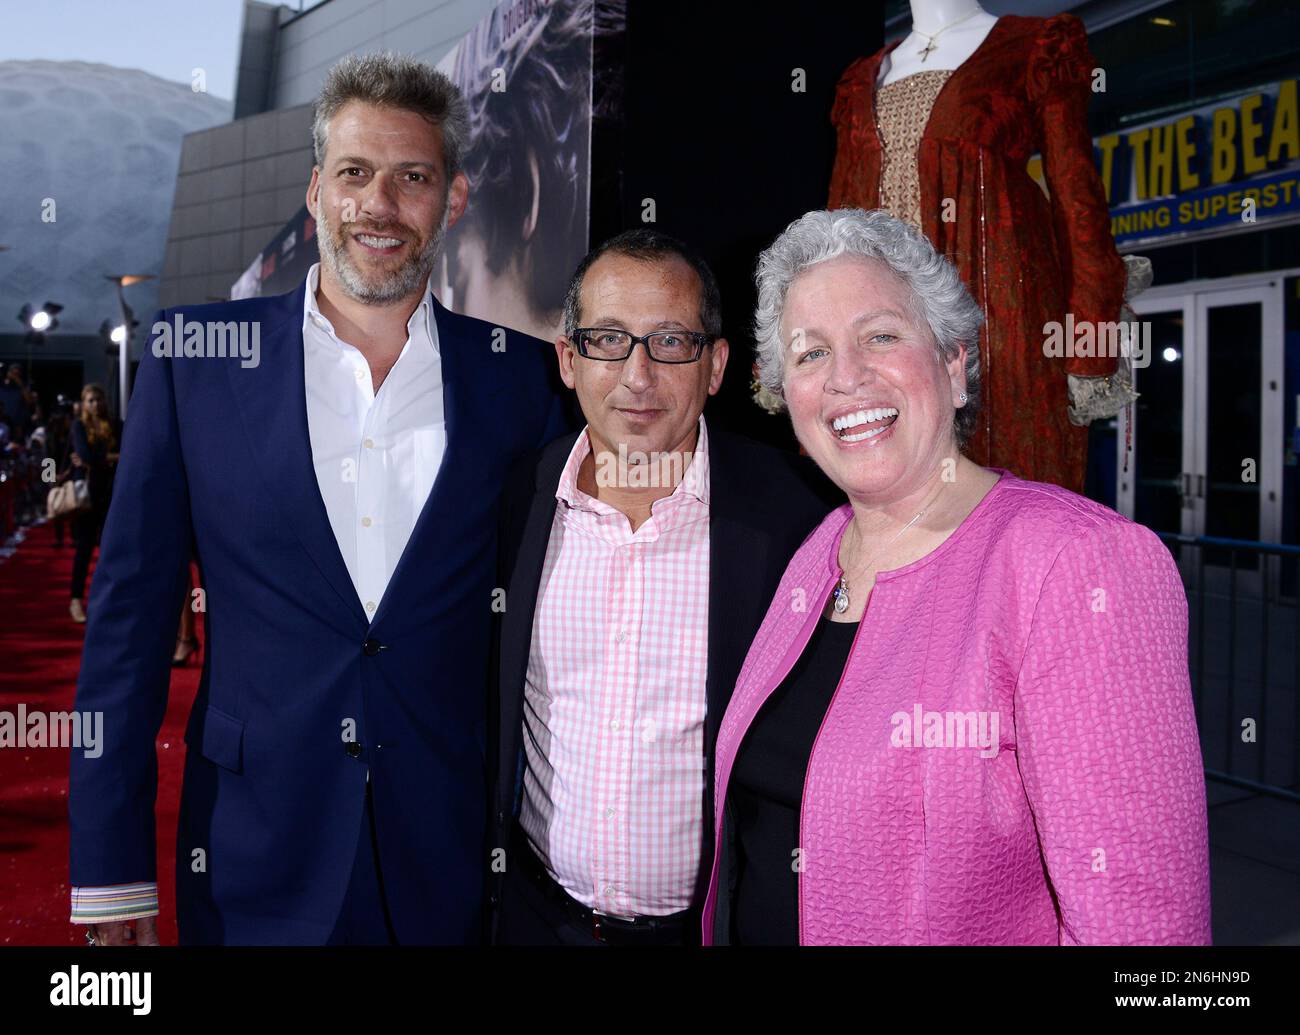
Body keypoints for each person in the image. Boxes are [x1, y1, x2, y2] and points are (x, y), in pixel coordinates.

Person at [68, 52, 570, 946]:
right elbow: (129, 624)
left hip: (448, 857)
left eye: (412, 177)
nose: (379, 204)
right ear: (314, 193)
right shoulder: (197, 359)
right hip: (252, 848)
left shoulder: (521, 380)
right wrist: (111, 869)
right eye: (354, 173)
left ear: (451, 200)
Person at [701, 208, 1211, 945]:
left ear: (953, 363)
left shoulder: (1077, 564)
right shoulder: (818, 551)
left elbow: (1146, 940)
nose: (846, 377)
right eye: (810, 354)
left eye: (880, 336)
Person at [490, 229, 838, 946]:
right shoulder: (517, 501)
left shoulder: (798, 521)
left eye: (671, 342)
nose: (637, 376)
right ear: (567, 358)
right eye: (608, 340)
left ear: (715, 366)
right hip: (534, 919)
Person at [68, 384, 118, 623]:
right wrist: (111, 458)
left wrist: (98, 460)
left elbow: (129, 454)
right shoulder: (78, 426)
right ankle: (76, 599)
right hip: (87, 494)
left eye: (98, 399)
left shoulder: (116, 425)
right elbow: (84, 456)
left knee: (111, 549)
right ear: (84, 404)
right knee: (84, 548)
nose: (95, 404)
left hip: (112, 493)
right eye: (90, 400)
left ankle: (107, 601)